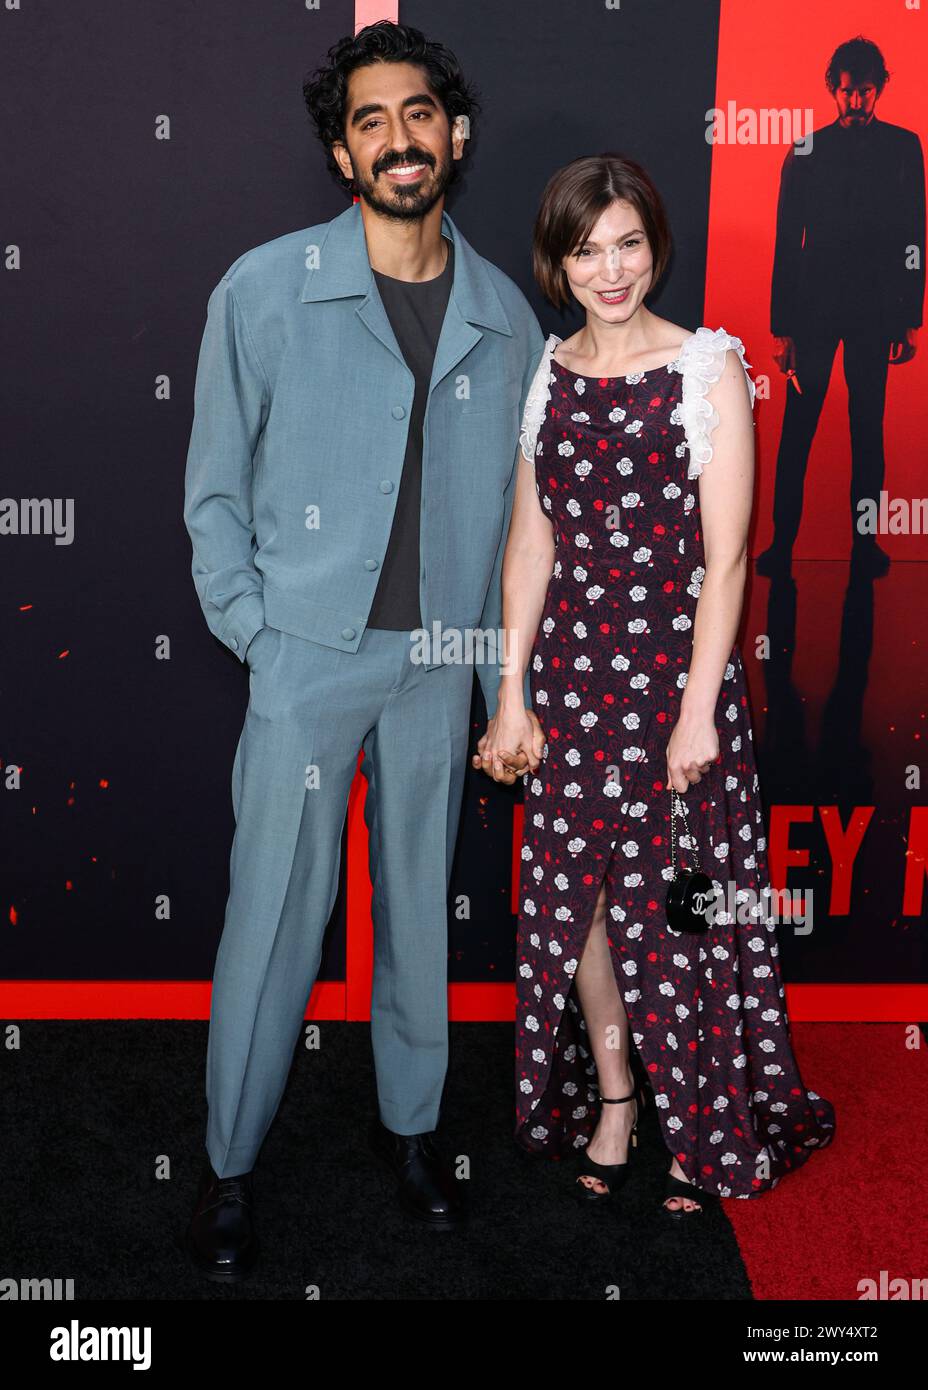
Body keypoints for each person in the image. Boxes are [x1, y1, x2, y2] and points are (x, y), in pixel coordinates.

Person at [182, 20, 542, 1281]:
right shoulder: (265, 289)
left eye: (421, 114)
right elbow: (213, 492)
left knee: (418, 924)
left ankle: (411, 1132)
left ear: (457, 134)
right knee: (274, 916)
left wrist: (504, 687)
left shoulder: (506, 316)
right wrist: (256, 631)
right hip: (308, 658)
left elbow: (517, 533)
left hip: (442, 665)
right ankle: (229, 1164)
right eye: (372, 120)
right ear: (343, 150)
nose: (401, 138)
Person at [475, 153, 836, 1215]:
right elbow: (529, 545)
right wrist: (509, 692)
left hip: (674, 682)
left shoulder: (707, 364)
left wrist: (694, 711)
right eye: (585, 249)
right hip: (571, 678)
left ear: (654, 244)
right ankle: (620, 1096)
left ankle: (699, 1116)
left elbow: (728, 557)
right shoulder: (552, 370)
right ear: (557, 262)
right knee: (580, 904)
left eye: (627, 242)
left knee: (679, 909)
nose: (610, 269)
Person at [759, 35, 924, 578]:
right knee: (799, 426)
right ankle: (782, 545)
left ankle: (865, 545)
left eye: (867, 93)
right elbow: (787, 240)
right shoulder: (806, 150)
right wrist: (783, 329)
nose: (857, 103)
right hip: (813, 311)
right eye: (850, 92)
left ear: (880, 91)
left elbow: (913, 236)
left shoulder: (905, 147)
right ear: (834, 88)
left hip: (876, 312)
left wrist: (907, 317)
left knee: (867, 427)